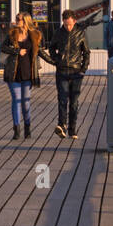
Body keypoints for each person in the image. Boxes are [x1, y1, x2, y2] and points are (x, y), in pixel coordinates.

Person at [41, 11, 89, 140]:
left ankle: (72, 130)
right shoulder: (58, 33)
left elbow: (86, 52)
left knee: (73, 103)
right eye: (65, 24)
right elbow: (51, 48)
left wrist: (83, 69)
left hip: (76, 72)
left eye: (69, 24)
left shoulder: (80, 33)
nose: (67, 27)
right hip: (62, 71)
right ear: (63, 21)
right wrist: (57, 60)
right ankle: (61, 125)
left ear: (74, 21)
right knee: (62, 99)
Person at [0, 14, 41, 140]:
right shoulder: (12, 34)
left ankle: (27, 126)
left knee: (26, 103)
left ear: (25, 21)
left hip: (28, 74)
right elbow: (3, 47)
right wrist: (17, 51)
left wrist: (56, 62)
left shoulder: (34, 35)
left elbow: (40, 52)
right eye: (16, 19)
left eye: (19, 19)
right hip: (13, 73)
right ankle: (16, 129)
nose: (16, 21)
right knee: (16, 100)